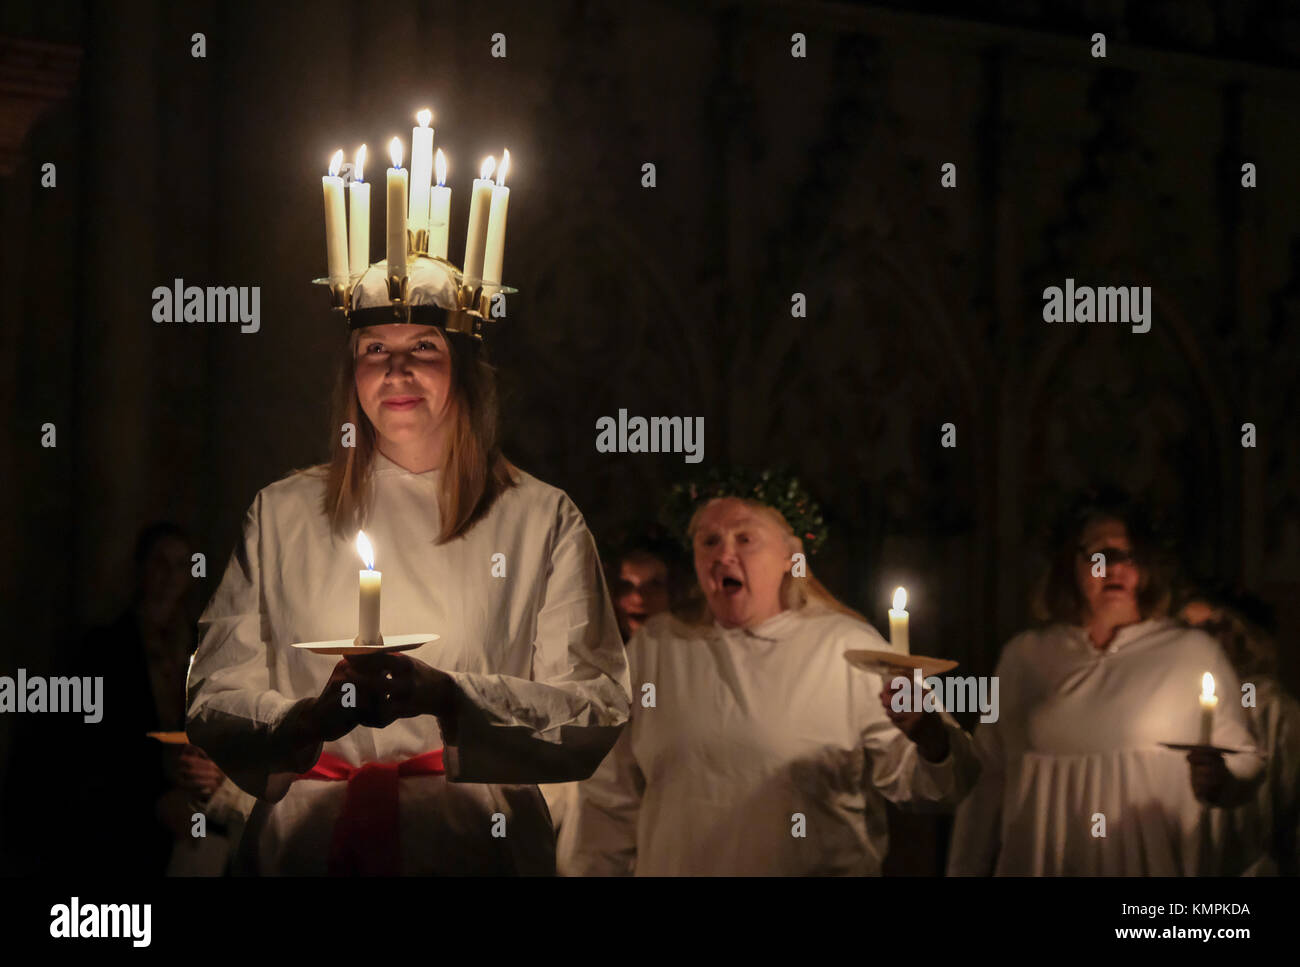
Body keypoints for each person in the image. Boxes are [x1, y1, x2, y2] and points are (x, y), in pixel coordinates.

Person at [186, 259, 631, 875]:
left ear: (466, 369)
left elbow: (595, 707)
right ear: (351, 371)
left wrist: (451, 698)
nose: (396, 370)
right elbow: (212, 696)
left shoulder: (538, 517)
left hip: (472, 843)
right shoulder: (283, 513)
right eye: (375, 349)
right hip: (308, 844)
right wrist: (308, 720)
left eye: (423, 346)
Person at [558, 471, 979, 875]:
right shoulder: (657, 647)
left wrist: (930, 737)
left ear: (790, 558)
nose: (725, 554)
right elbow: (609, 804)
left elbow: (933, 786)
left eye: (745, 538)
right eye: (709, 541)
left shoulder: (847, 649)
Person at [947, 489, 1263, 875]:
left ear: (1147, 566)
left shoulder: (1190, 653)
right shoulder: (1025, 656)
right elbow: (985, 782)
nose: (1114, 568)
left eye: (1129, 555)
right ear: (1071, 564)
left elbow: (1246, 759)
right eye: (1100, 555)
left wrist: (1222, 780)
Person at [1179, 587, 1300, 875]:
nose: (1199, 641)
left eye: (1213, 627)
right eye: (1185, 630)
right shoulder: (1169, 704)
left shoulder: (1271, 710)